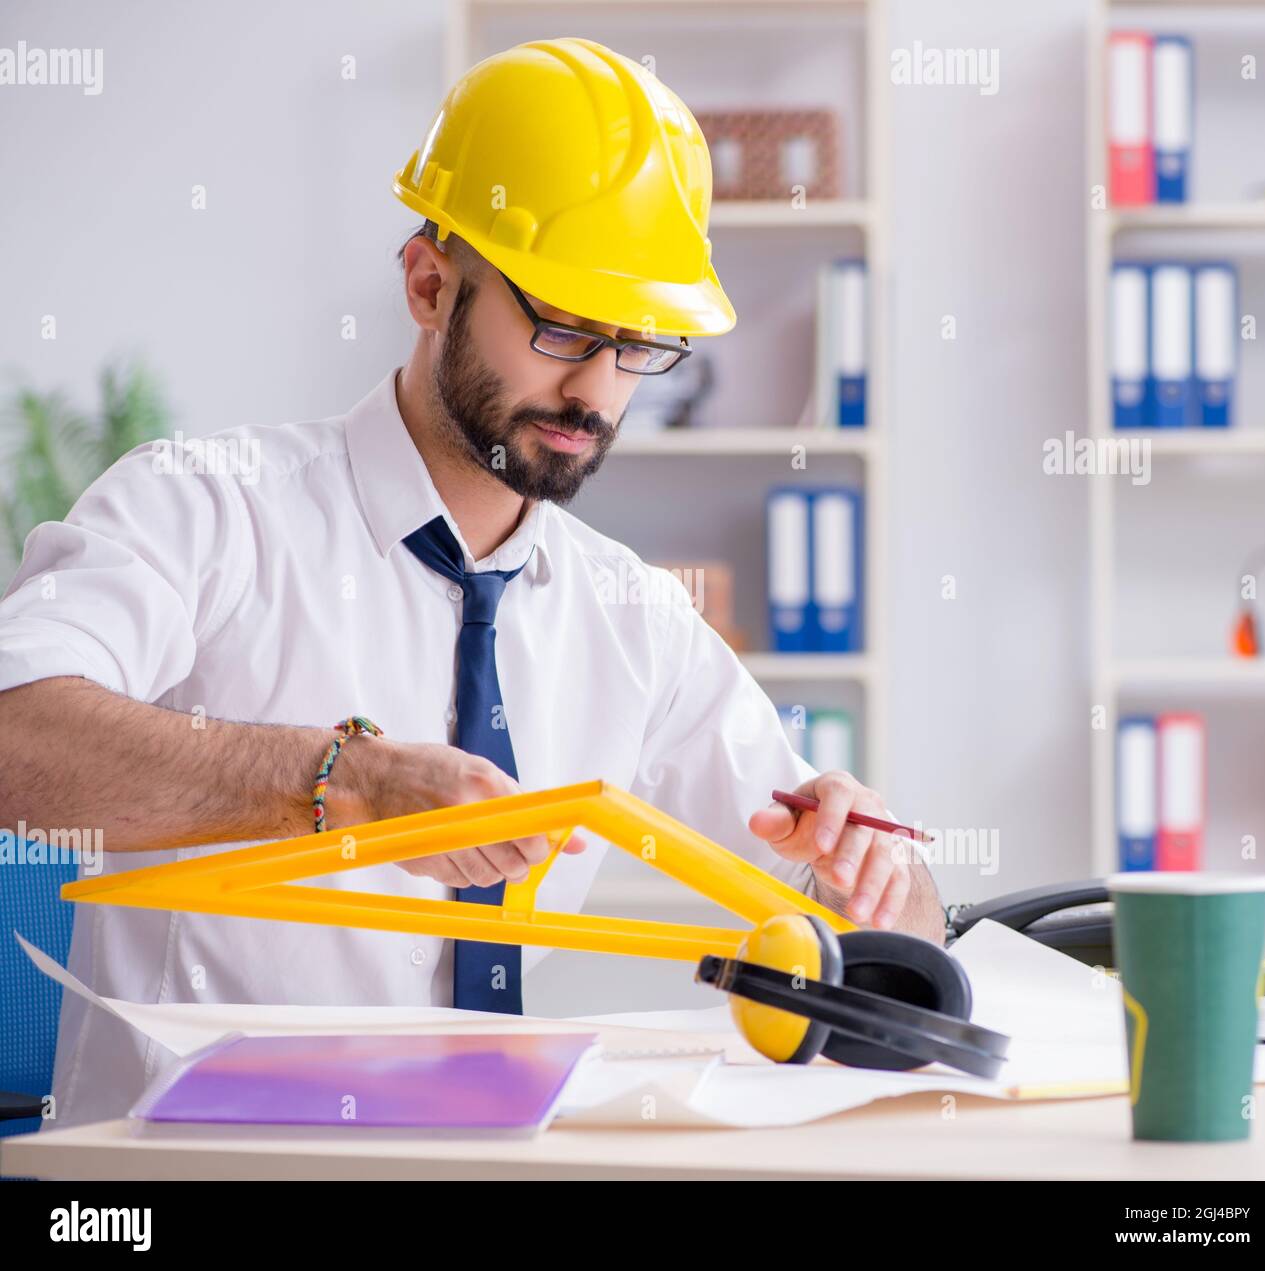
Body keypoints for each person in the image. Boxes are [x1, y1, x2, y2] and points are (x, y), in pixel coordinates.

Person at [0, 36, 943, 1127]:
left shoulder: (632, 619)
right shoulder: (208, 506)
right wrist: (346, 780)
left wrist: (872, 873)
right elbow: (16, 738)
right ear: (429, 281)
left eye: (638, 345)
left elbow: (878, 956)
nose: (593, 389)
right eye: (559, 325)